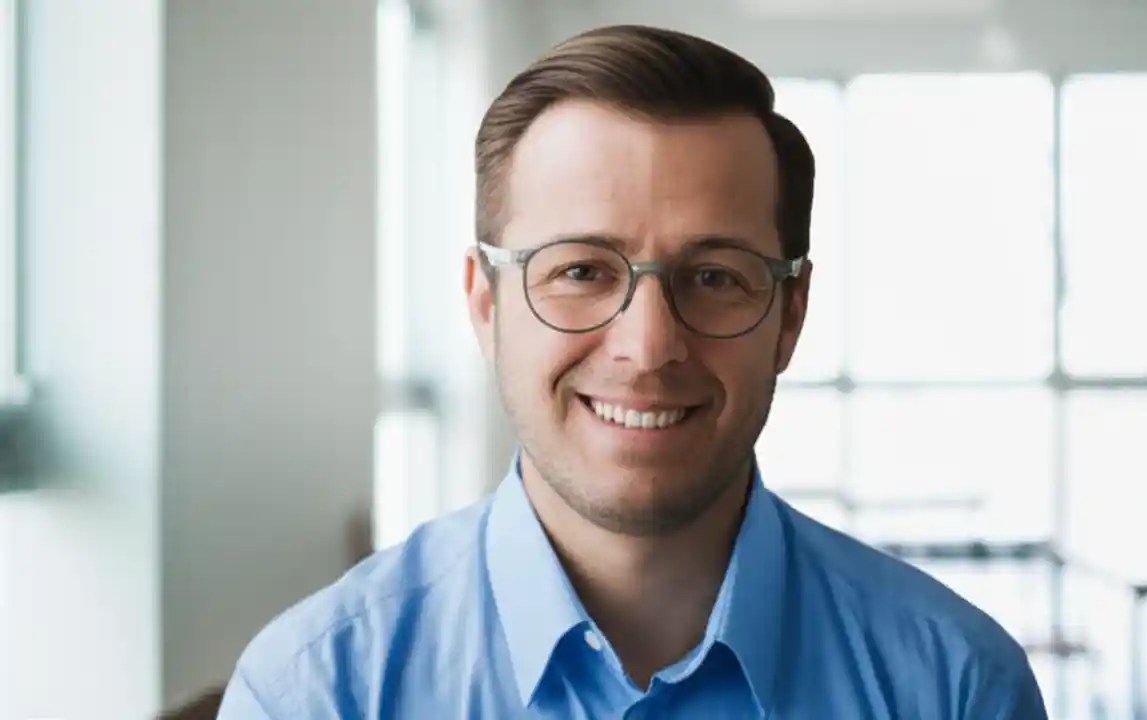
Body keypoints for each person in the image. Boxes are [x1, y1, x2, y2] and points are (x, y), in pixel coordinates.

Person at [217, 24, 1047, 719]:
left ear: (790, 316)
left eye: (716, 276)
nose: (648, 347)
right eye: (581, 271)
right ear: (485, 304)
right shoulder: (316, 691)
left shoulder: (956, 687)